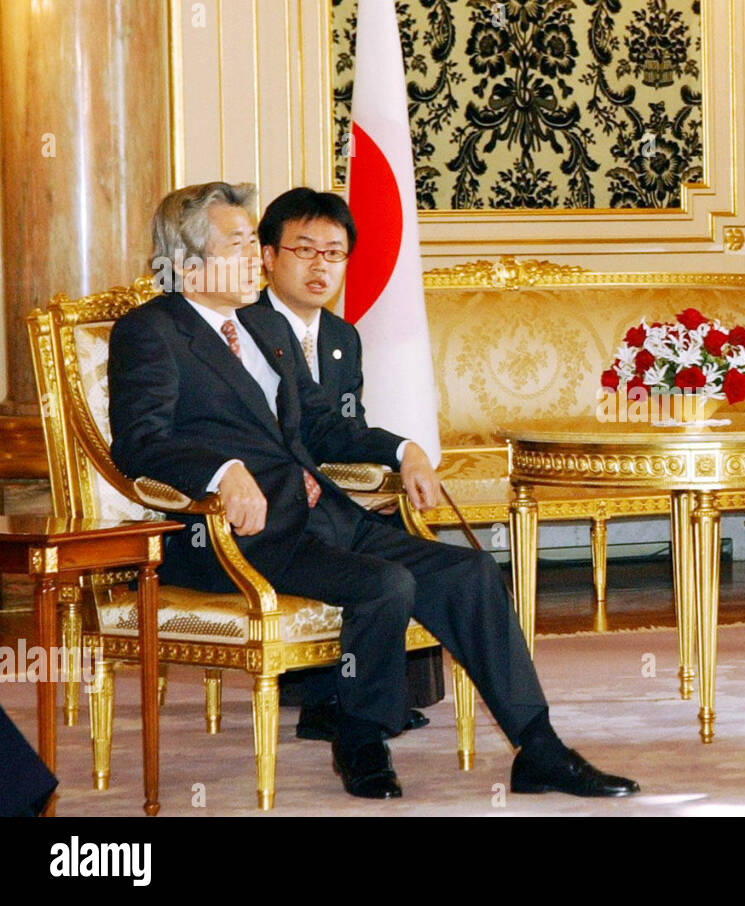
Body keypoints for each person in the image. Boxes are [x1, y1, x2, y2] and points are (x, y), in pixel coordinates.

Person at [109, 181, 638, 799]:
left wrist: (400, 449)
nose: (258, 255)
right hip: (230, 538)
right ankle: (360, 739)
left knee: (469, 572)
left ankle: (540, 747)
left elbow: (324, 424)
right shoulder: (152, 331)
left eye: (257, 240)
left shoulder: (261, 327)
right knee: (385, 584)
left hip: (317, 520)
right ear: (190, 260)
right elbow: (140, 443)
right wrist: (222, 473)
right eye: (242, 241)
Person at [254, 187, 438, 742]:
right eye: (305, 249)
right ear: (268, 256)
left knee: (424, 551)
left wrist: (403, 451)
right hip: (268, 504)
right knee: (358, 551)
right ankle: (332, 699)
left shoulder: (341, 337)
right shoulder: (244, 330)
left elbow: (343, 430)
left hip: (323, 494)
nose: (320, 266)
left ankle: (358, 697)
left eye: (334, 254)